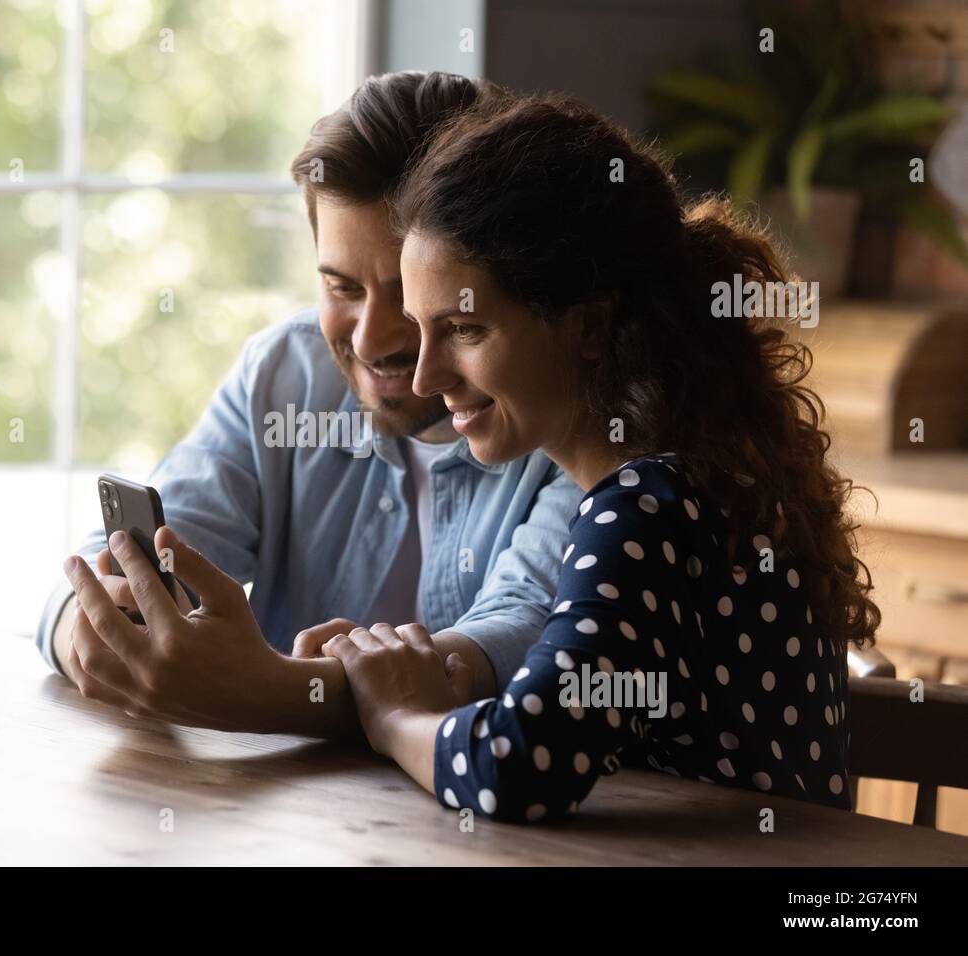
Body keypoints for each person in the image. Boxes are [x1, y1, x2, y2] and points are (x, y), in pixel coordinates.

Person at [319, 90, 881, 821]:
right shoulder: (709, 482)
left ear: (588, 324)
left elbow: (518, 767)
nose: (425, 377)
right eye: (422, 332)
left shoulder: (647, 511)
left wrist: (393, 712)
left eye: (464, 328)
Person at [45, 73, 581, 735]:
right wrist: (94, 631)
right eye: (342, 287)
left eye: (409, 296)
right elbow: (131, 552)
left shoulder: (561, 409)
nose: (371, 338)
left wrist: (262, 691)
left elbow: (530, 639)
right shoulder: (286, 373)